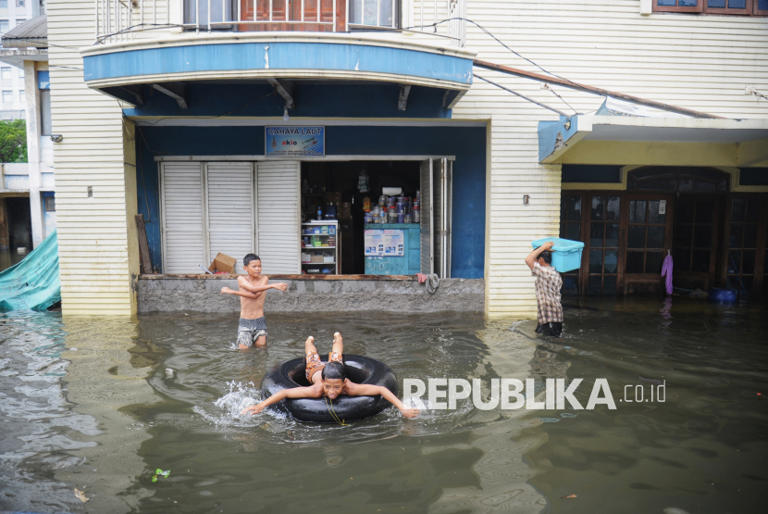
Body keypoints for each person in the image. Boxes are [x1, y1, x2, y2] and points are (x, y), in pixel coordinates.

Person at [241, 332, 419, 419]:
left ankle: (337, 338)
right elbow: (285, 393)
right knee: (312, 358)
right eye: (329, 387)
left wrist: (402, 407)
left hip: (336, 368)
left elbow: (381, 389)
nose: (332, 392)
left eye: (336, 387)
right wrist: (261, 406)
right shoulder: (318, 388)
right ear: (324, 383)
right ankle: (309, 341)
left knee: (337, 357)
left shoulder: (350, 387)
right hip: (316, 372)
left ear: (344, 382)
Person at [221, 253, 287, 349]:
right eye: (254, 266)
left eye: (259, 266)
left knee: (261, 351)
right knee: (244, 352)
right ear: (245, 268)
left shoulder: (264, 279)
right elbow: (252, 290)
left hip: (259, 321)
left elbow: (256, 295)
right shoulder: (241, 279)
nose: (258, 269)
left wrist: (231, 291)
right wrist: (272, 286)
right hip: (245, 321)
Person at [525, 241, 563, 337]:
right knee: (545, 339)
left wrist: (543, 247)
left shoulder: (545, 272)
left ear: (541, 259)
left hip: (550, 317)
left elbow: (528, 260)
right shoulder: (554, 272)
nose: (535, 263)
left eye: (536, 260)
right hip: (550, 315)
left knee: (548, 345)